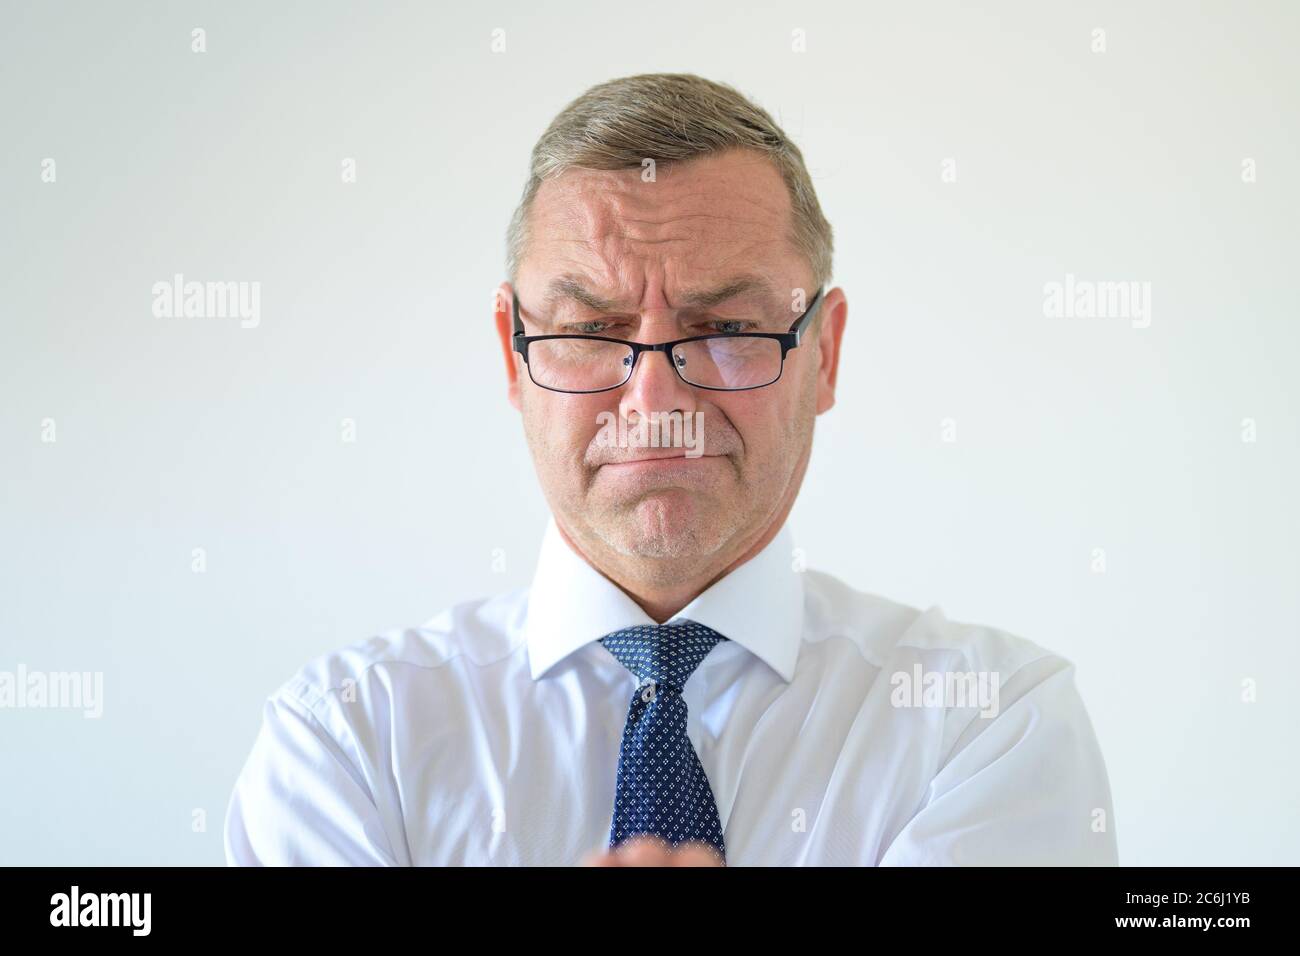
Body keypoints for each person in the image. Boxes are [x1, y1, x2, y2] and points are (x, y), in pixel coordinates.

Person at [224, 73, 1117, 866]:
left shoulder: (989, 726)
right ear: (512, 351)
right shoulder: (346, 744)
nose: (655, 403)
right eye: (588, 332)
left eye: (725, 330)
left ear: (827, 354)